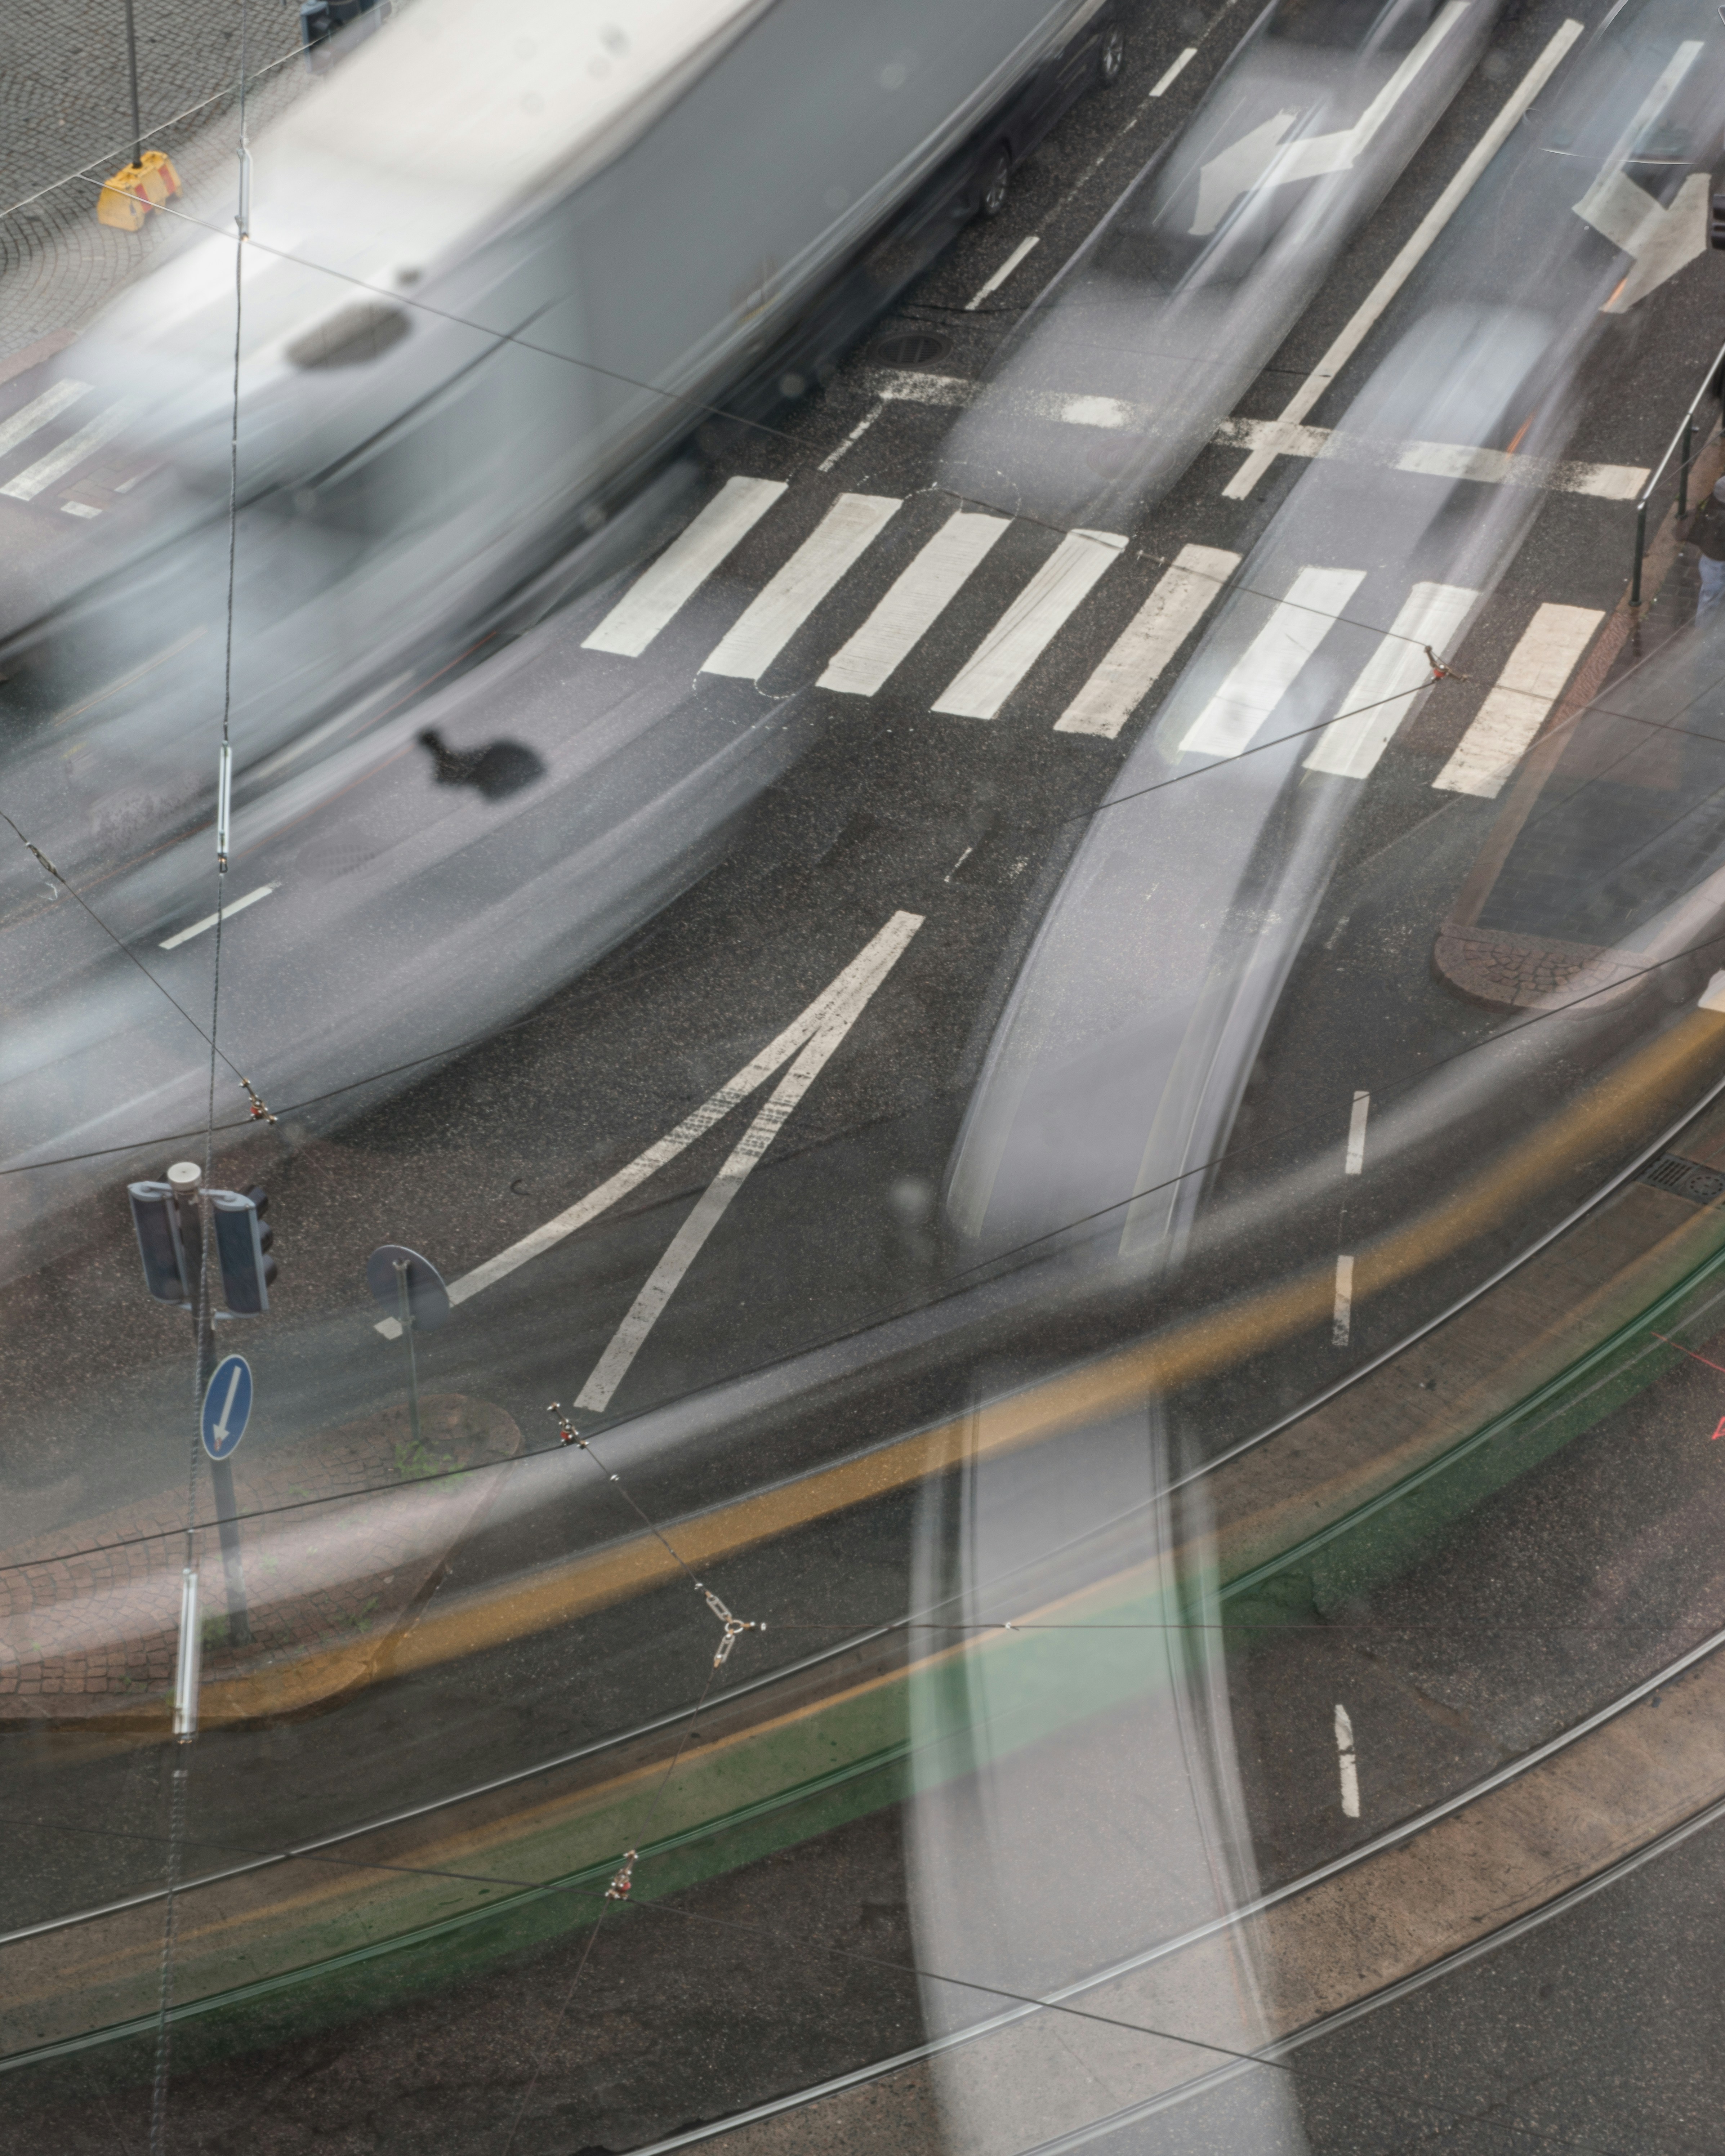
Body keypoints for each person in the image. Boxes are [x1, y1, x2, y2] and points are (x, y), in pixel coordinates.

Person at [1693, 475, 1725, 624]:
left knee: (1710, 594)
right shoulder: (1720, 517)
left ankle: (1704, 627)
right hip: (1717, 563)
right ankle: (1703, 629)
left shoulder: (1714, 506)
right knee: (1711, 594)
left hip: (1712, 560)